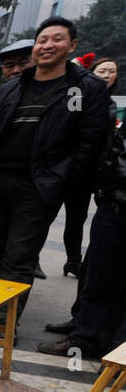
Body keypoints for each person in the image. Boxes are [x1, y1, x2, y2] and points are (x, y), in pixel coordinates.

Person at [0, 17, 111, 320]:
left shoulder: (84, 89)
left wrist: (60, 180)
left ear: (72, 45)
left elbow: (89, 143)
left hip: (38, 185)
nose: (47, 45)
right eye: (42, 40)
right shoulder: (13, 86)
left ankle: (5, 323)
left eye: (56, 39)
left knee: (19, 258)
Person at [38, 123, 126, 360]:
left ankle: (117, 352)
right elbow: (116, 149)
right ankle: (85, 337)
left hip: (116, 197)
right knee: (97, 276)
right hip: (116, 203)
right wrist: (104, 187)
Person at [58, 55, 119, 279]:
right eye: (102, 70)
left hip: (90, 172)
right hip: (66, 167)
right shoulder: (77, 95)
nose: (107, 75)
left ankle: (73, 260)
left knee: (77, 218)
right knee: (43, 215)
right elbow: (68, 125)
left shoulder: (111, 104)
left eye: (111, 71)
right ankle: (34, 260)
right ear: (91, 72)